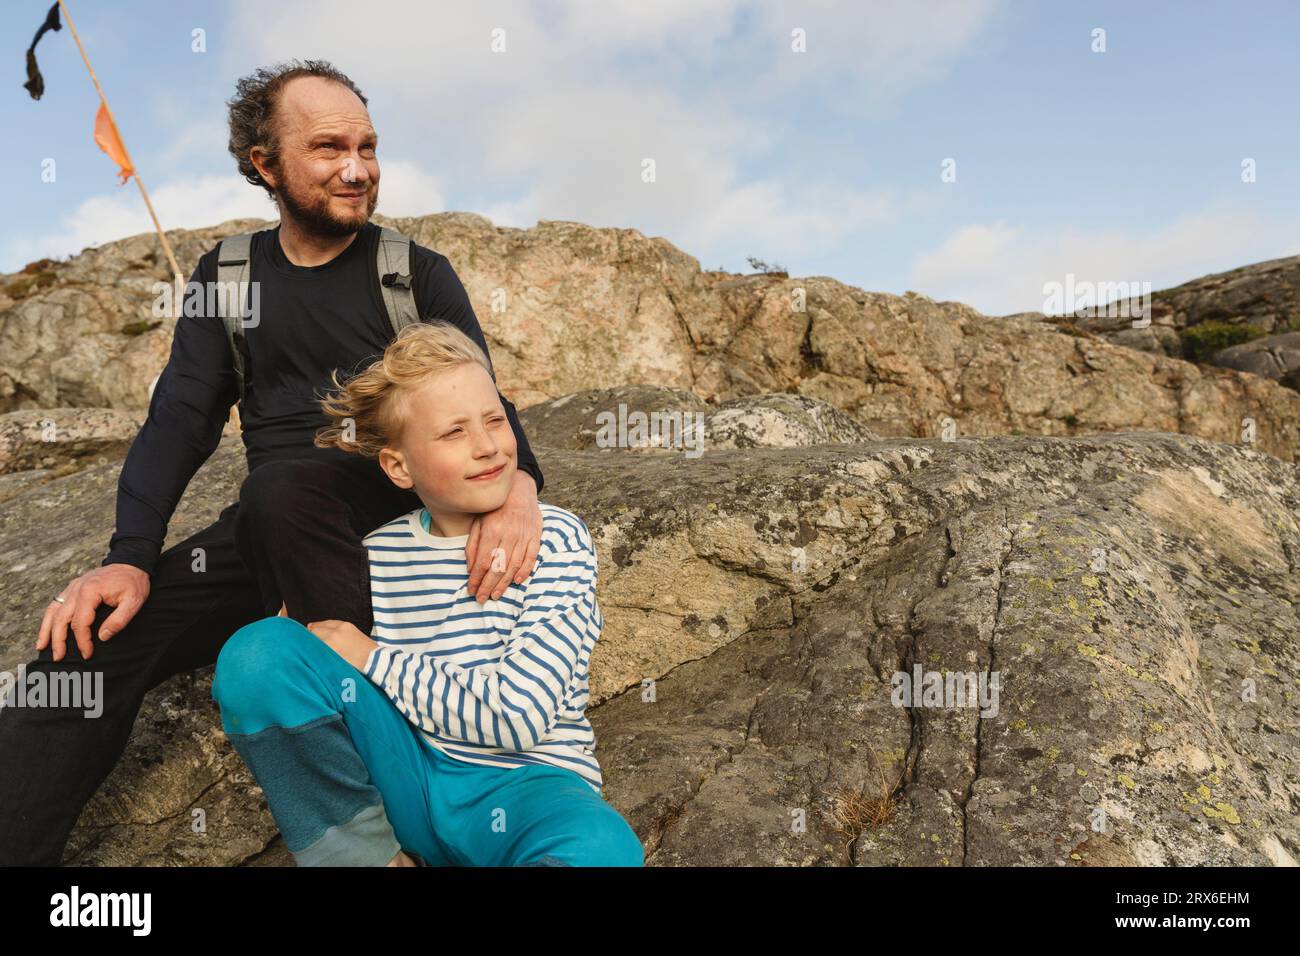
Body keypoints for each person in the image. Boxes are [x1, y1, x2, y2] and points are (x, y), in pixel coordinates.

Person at [0, 59, 546, 866]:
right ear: (265, 163)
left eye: (366, 145)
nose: (357, 168)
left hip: (394, 515)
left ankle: (381, 795)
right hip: (268, 527)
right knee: (79, 651)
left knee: (284, 487)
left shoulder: (413, 272)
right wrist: (127, 558)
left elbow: (483, 399)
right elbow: (181, 417)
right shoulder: (228, 276)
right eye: (328, 147)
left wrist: (521, 492)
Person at [211, 321, 642, 867]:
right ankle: (369, 859)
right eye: (453, 432)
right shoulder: (372, 552)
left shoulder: (555, 538)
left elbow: (518, 719)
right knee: (260, 650)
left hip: (529, 790)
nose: (487, 446)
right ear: (397, 466)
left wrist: (367, 655)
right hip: (405, 782)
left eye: (494, 420)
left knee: (603, 848)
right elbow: (312, 679)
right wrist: (309, 651)